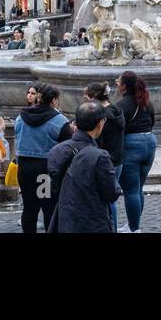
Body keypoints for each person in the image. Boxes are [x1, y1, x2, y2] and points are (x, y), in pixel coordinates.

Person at [47, 101, 122, 233]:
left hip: (66, 219)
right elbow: (112, 193)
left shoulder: (56, 150)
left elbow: (53, 186)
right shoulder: (100, 156)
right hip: (93, 221)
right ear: (100, 124)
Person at [13, 83, 72, 233]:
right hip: (44, 171)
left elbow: (17, 136)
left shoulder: (21, 117)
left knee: (29, 207)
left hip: (25, 168)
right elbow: (67, 147)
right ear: (53, 100)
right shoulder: (59, 120)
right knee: (48, 208)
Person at [115, 70, 156, 231]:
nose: (116, 84)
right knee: (138, 187)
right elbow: (152, 122)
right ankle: (133, 224)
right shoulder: (147, 102)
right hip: (150, 142)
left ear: (124, 86)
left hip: (132, 145)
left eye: (118, 81)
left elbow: (118, 129)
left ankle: (134, 229)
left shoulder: (121, 105)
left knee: (130, 190)